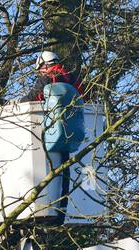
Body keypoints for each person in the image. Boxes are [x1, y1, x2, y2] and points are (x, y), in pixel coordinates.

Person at [34, 52, 85, 221]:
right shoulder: (71, 78)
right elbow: (83, 98)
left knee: (58, 172)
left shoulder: (48, 79)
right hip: (73, 131)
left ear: (44, 65)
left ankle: (58, 212)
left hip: (54, 132)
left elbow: (33, 97)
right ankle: (62, 211)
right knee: (66, 171)